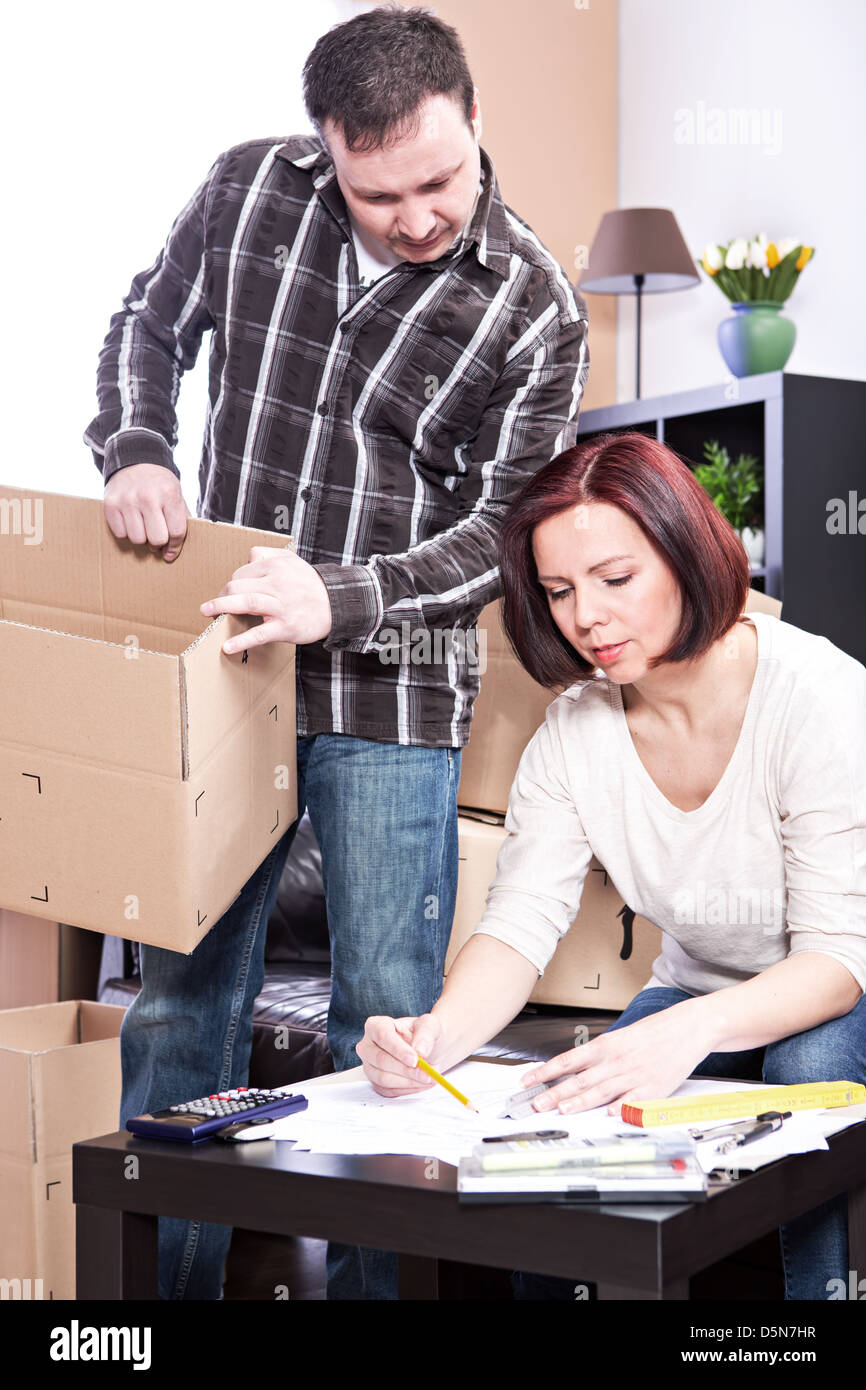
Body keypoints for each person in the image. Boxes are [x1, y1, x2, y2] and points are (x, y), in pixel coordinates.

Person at [82, 5, 589, 1300]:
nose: (418, 217)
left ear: (476, 121)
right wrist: (137, 446)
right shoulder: (249, 189)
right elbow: (146, 326)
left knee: (389, 1025)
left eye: (439, 180)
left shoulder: (533, 305)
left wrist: (342, 596)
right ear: (325, 153)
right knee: (185, 1006)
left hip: (395, 697)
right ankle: (157, 1306)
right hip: (226, 674)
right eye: (381, 196)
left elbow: (498, 536)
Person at [357, 429, 866, 1302]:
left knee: (806, 1063)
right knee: (565, 1107)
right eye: (558, 591)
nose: (584, 615)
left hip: (841, 980)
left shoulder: (818, 697)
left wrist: (686, 1030)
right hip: (710, 985)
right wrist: (433, 1038)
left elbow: (836, 961)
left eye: (615, 579)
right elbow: (517, 930)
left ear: (686, 554)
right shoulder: (572, 733)